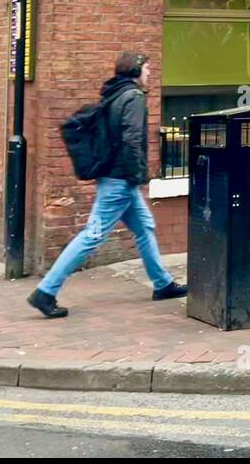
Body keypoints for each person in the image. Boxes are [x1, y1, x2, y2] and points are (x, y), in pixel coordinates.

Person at [28, 52, 187, 318]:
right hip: (120, 181)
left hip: (115, 178)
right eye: (147, 68)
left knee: (144, 226)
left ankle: (162, 284)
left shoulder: (114, 93)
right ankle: (45, 291)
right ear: (136, 70)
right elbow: (132, 138)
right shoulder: (133, 97)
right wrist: (137, 176)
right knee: (92, 235)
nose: (150, 73)